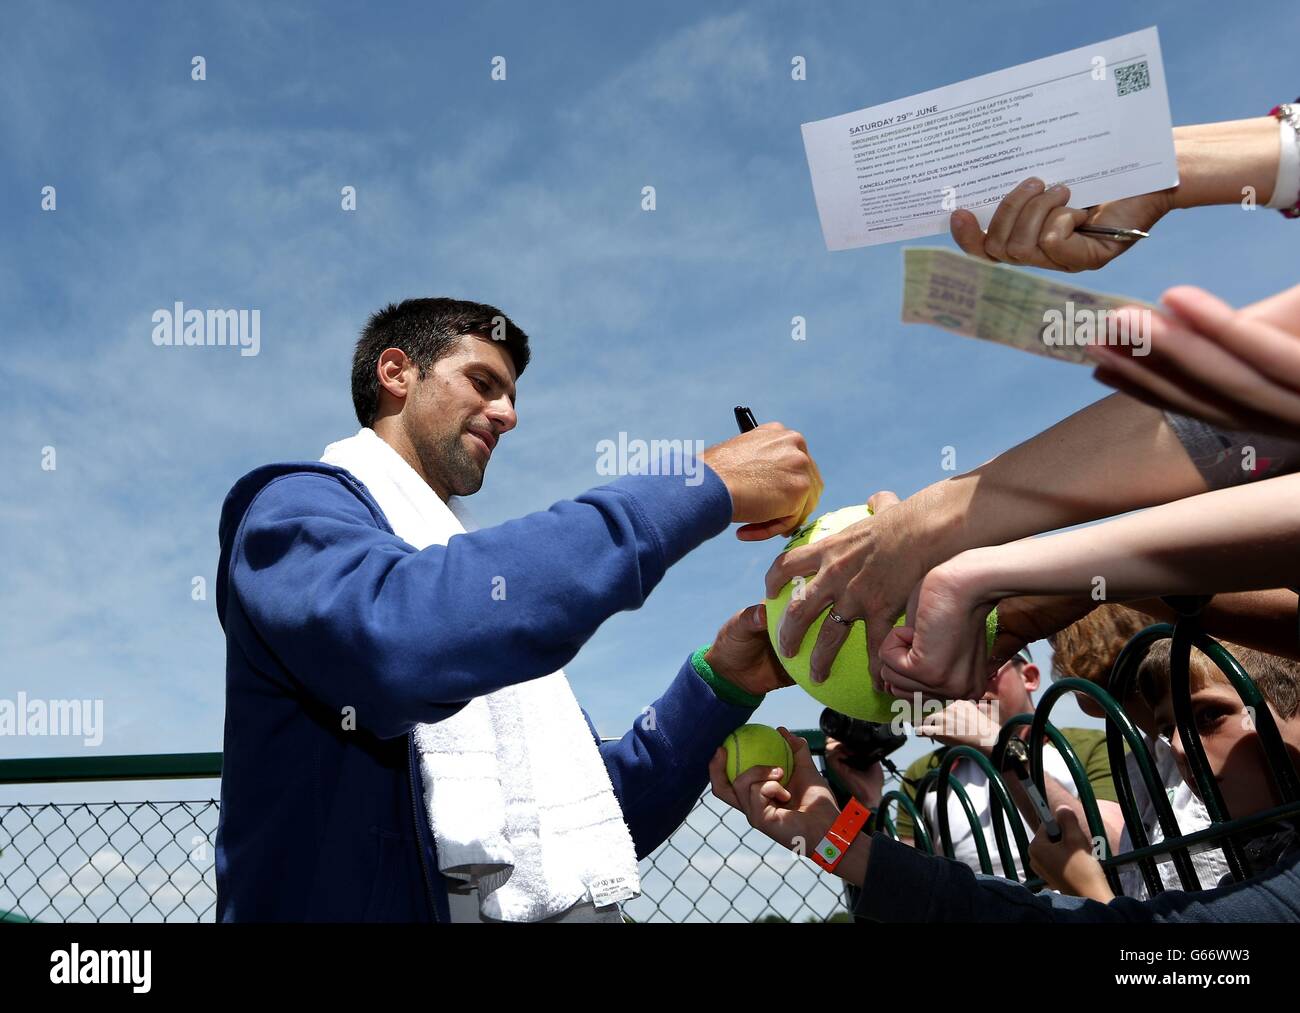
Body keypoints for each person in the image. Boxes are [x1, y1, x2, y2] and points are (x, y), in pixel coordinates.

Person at [214, 297, 819, 922]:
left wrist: (723, 683)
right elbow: (405, 633)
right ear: (396, 374)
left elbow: (593, 829)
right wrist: (701, 484)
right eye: (483, 383)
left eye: (512, 396)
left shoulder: (470, 579)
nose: (507, 414)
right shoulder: (290, 508)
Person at [710, 725, 1300, 922]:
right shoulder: (926, 773)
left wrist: (1089, 890)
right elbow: (912, 884)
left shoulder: (1082, 745)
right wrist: (854, 811)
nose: (1176, 745)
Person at [1029, 639, 1300, 903]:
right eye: (1168, 731)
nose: (1178, 747)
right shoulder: (1258, 848)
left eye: (1209, 716)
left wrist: (1087, 890)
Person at [829, 649, 1115, 881]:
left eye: (988, 669)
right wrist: (867, 802)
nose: (970, 685)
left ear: (1028, 676)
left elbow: (1112, 848)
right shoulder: (924, 772)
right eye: (953, 674)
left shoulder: (1089, 746)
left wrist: (997, 746)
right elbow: (906, 879)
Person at [1046, 608, 1231, 898]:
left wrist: (1088, 890)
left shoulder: (1205, 747)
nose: (1053, 647)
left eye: (1058, 637)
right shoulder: (1144, 759)